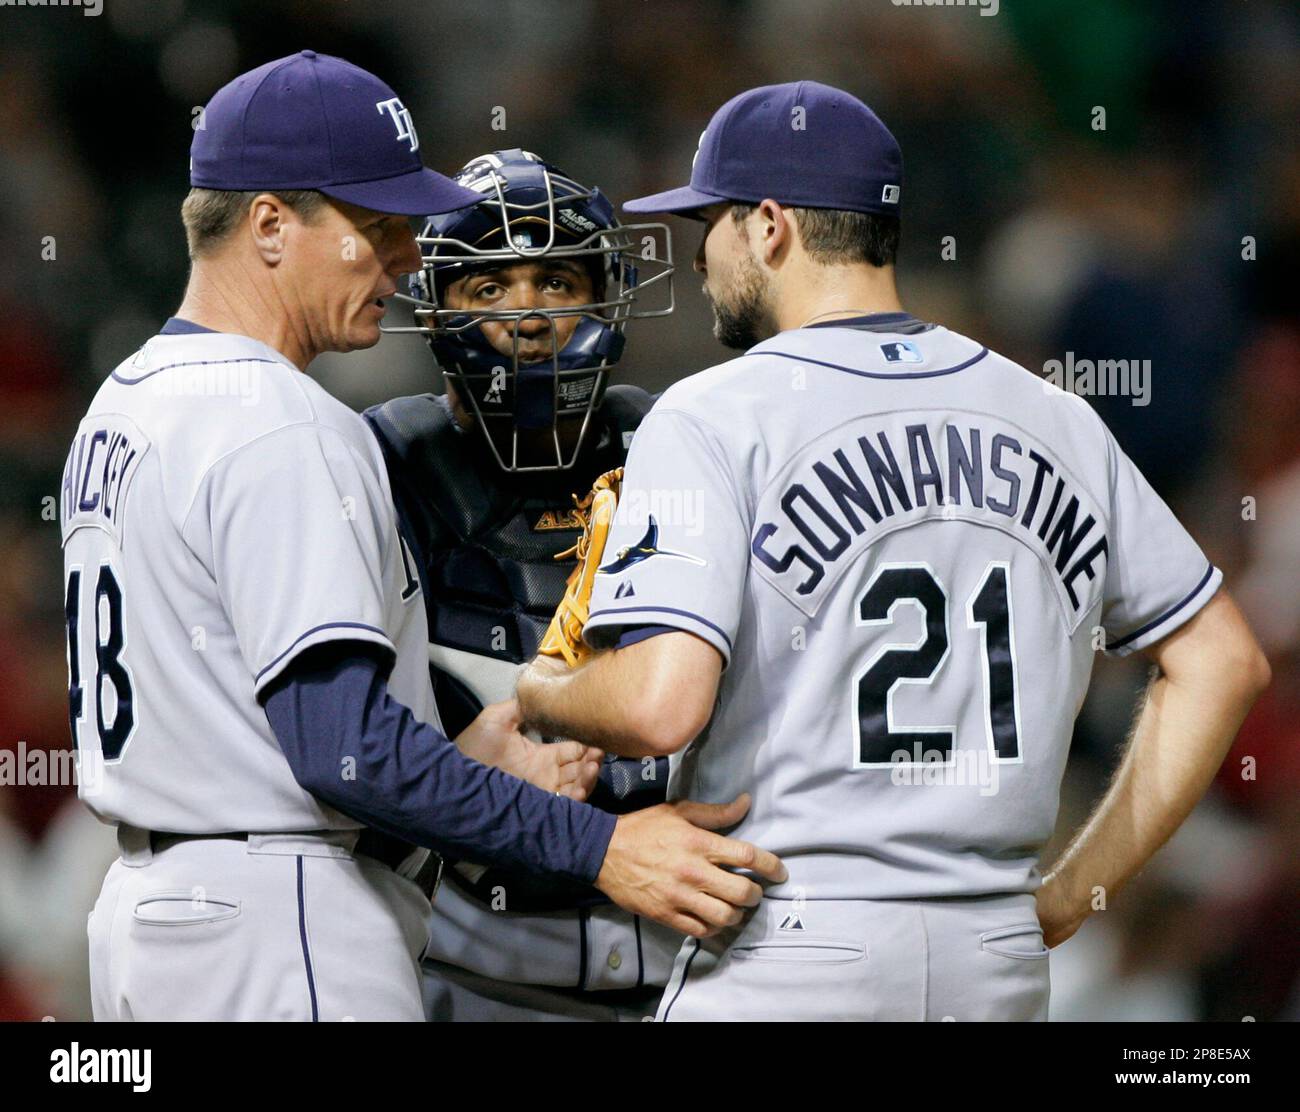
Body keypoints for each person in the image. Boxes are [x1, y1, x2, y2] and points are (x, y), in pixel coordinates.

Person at [516, 81, 1271, 1021]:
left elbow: (663, 703)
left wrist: (542, 694)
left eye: (707, 222)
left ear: (767, 226)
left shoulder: (717, 410)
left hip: (790, 935)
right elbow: (1223, 662)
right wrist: (1079, 888)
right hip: (992, 953)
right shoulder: (1054, 417)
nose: (700, 257)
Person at [61, 53, 782, 1023]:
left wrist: (464, 757)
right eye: (376, 227)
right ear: (269, 224)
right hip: (287, 911)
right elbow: (344, 753)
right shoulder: (286, 423)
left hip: (162, 911)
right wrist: (607, 848)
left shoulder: (126, 401)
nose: (403, 258)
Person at [366, 148, 682, 1021]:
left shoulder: (685, 446)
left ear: (605, 293)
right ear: (436, 310)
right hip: (468, 975)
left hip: (698, 975)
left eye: (555, 280)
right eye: (489, 287)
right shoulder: (375, 466)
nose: (529, 315)